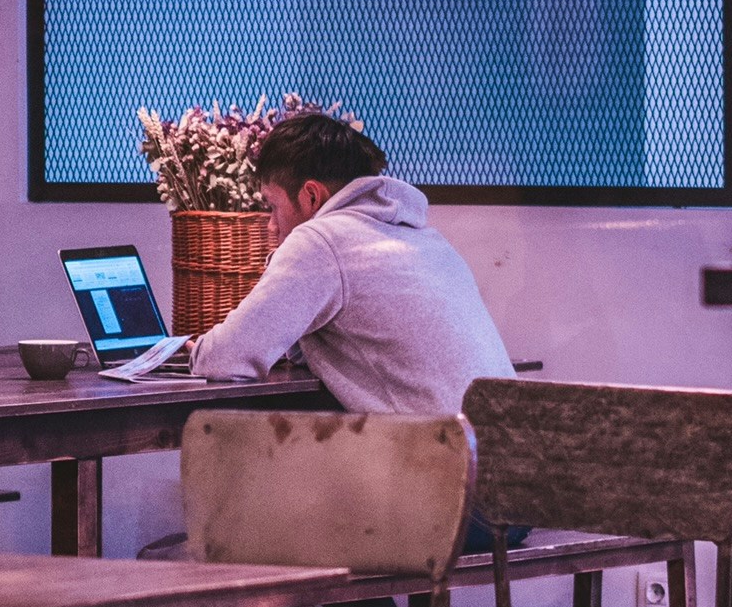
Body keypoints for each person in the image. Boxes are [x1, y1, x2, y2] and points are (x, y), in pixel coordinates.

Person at [185, 107, 514, 415]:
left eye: (273, 206)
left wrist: (189, 349)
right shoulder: (428, 240)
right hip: (510, 455)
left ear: (312, 196)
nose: (271, 225)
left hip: (439, 461)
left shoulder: (321, 240)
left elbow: (224, 359)